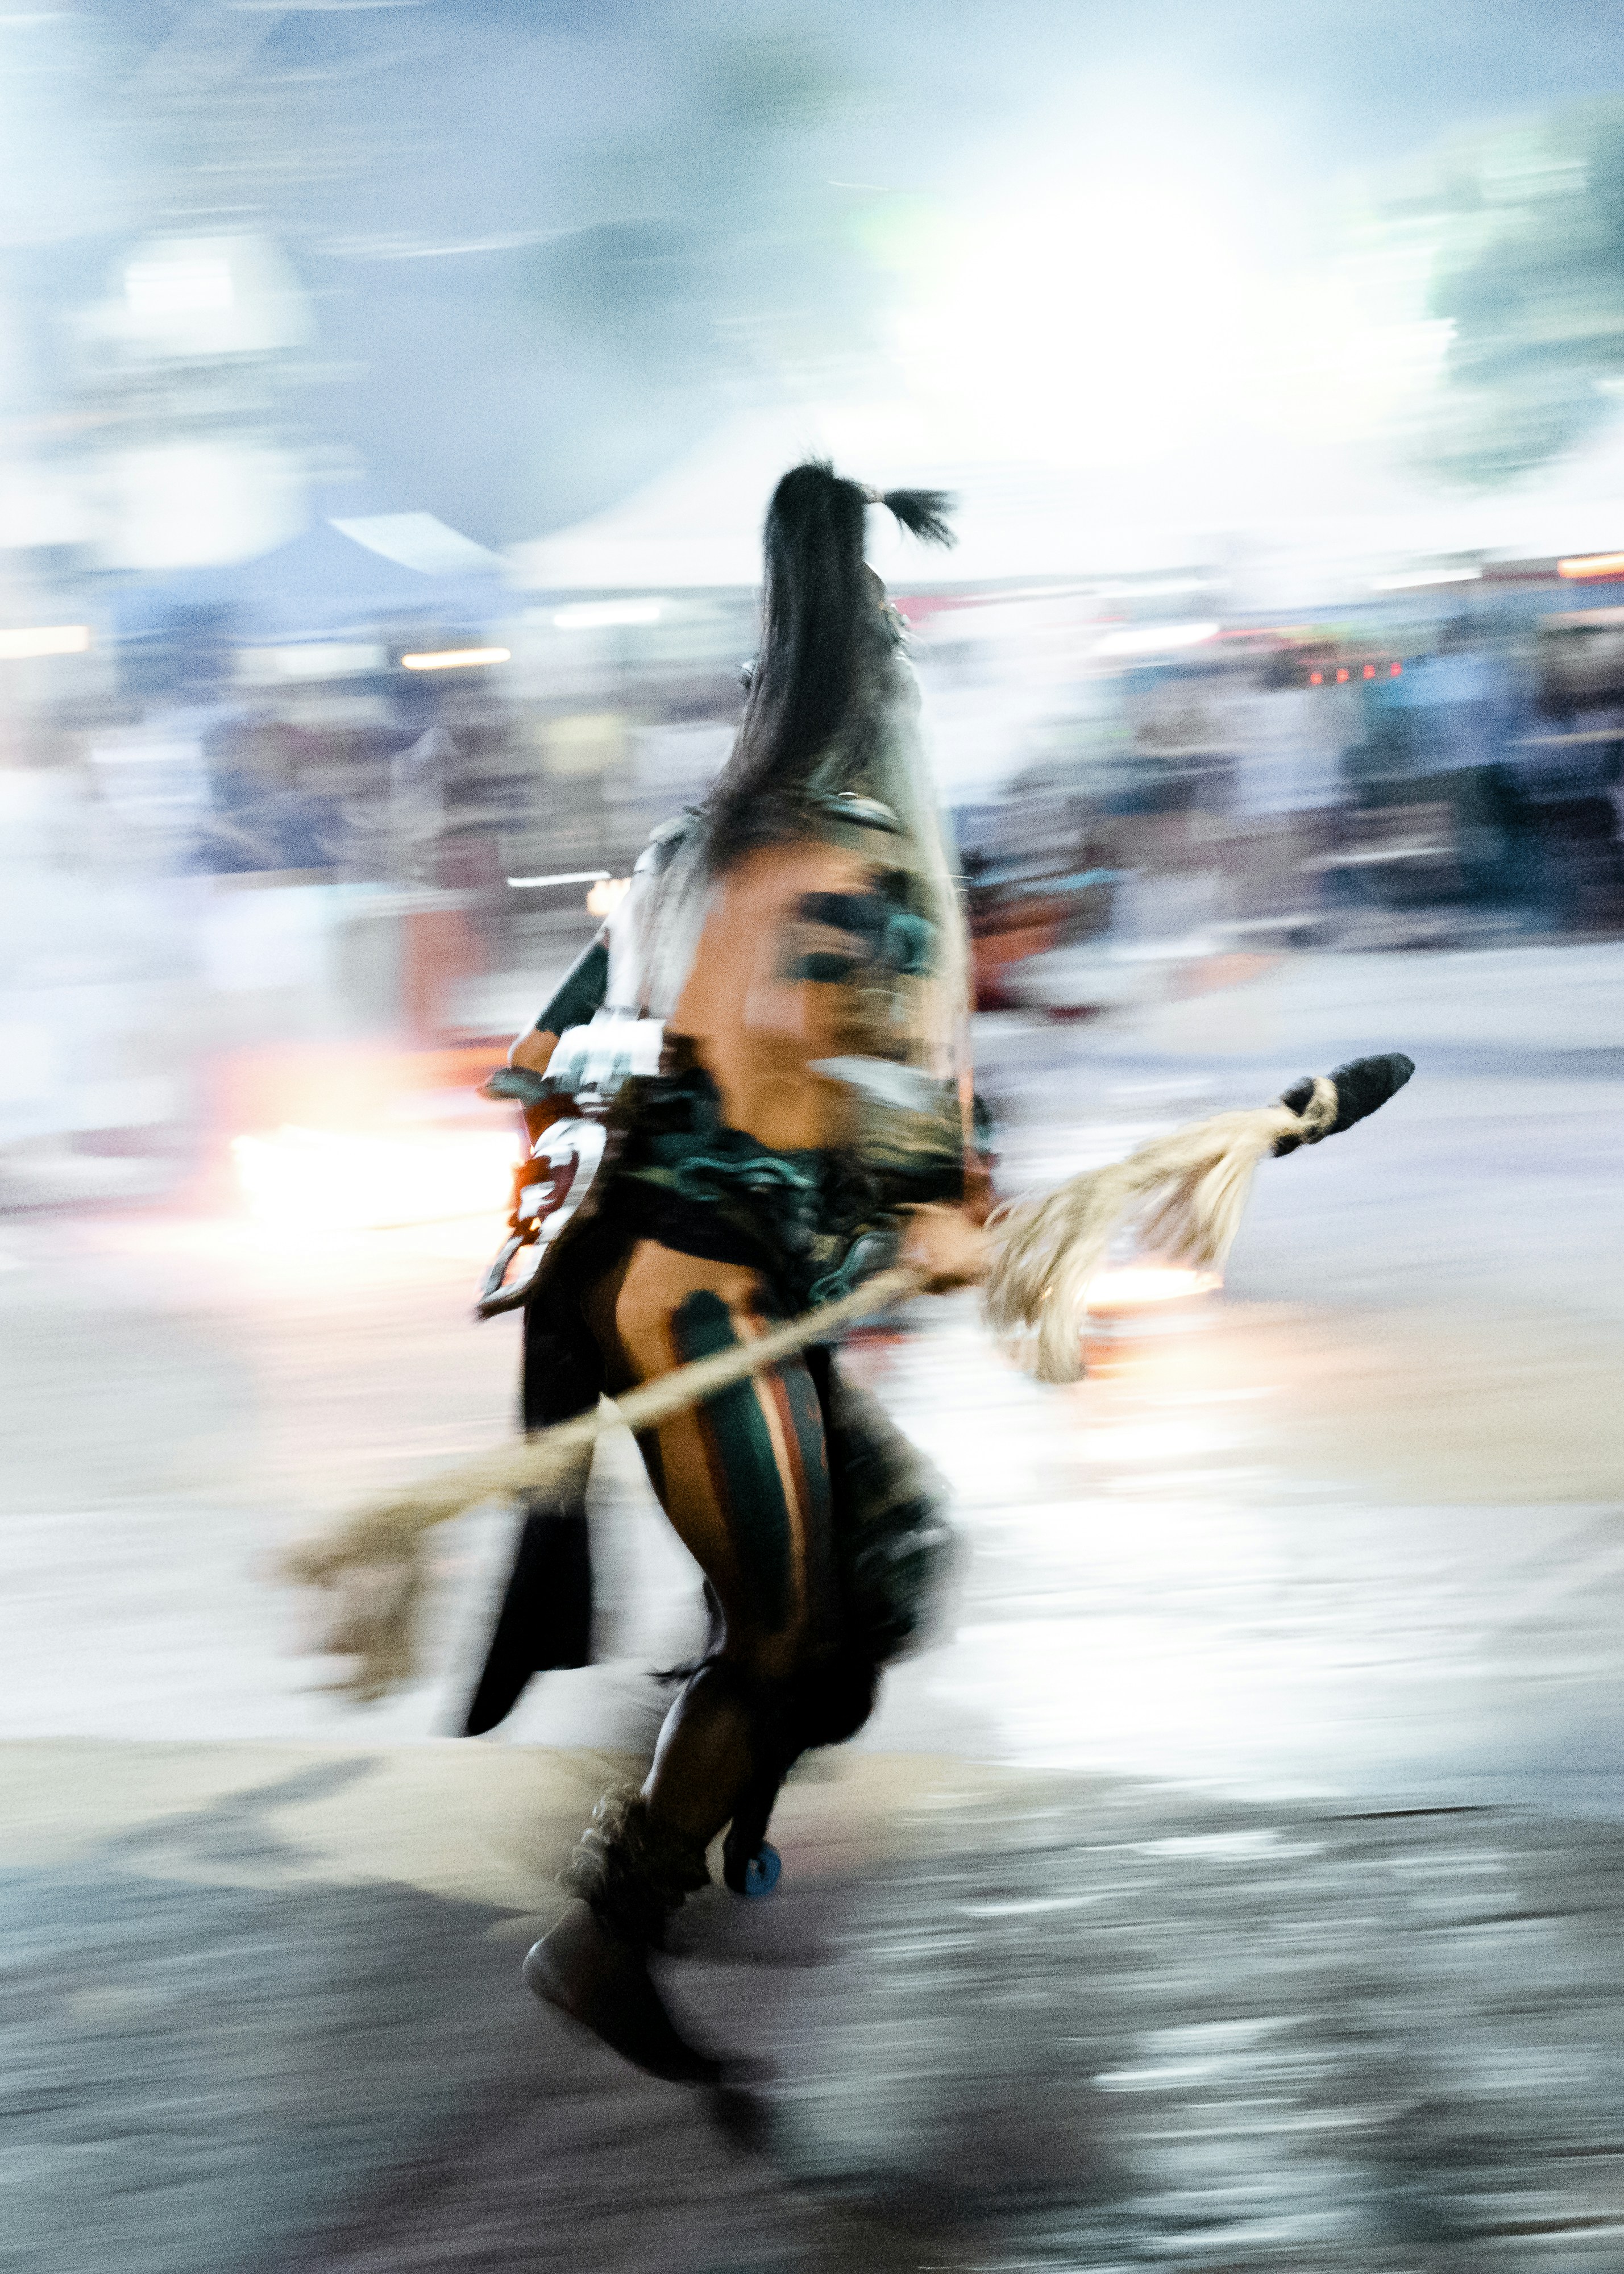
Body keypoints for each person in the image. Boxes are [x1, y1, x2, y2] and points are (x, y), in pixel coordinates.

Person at [495, 462, 989, 2083]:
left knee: (880, 1557)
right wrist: (937, 1206)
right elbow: (893, 1132)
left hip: (643, 1278)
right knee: (793, 1632)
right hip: (696, 1289)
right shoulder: (861, 870)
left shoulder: (684, 843)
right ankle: (606, 1933)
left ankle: (709, 1795)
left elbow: (553, 1069)